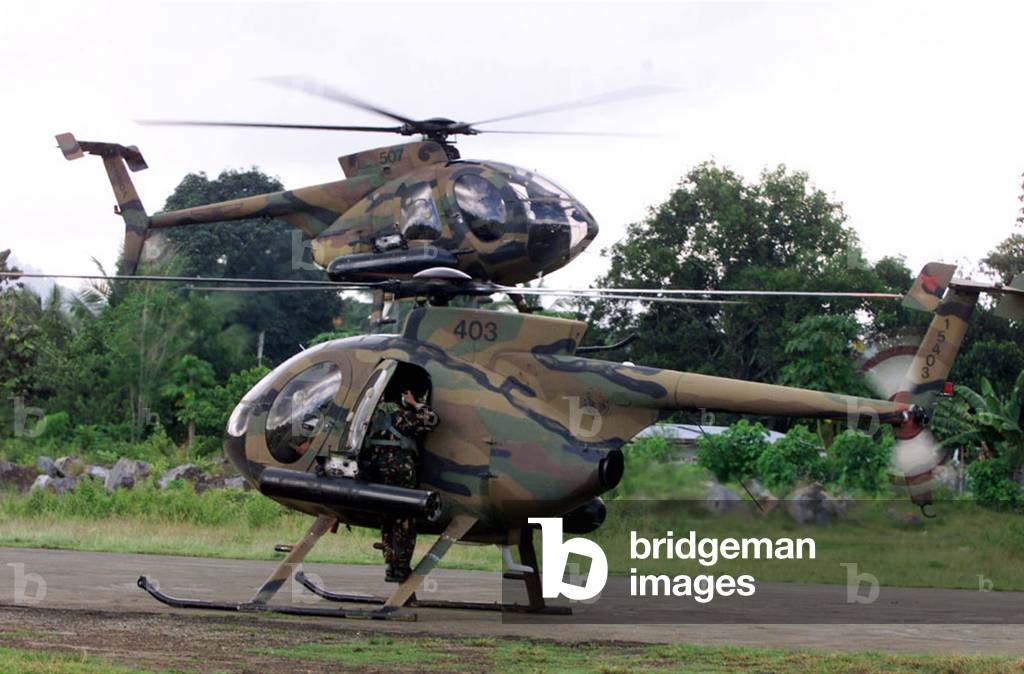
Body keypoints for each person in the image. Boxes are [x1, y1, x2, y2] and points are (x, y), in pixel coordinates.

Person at [364, 387, 439, 582]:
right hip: (400, 472)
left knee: (386, 518)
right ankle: (402, 566)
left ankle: (390, 564)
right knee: (404, 519)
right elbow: (431, 419)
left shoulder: (369, 414)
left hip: (377, 472)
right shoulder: (401, 415)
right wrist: (415, 404)